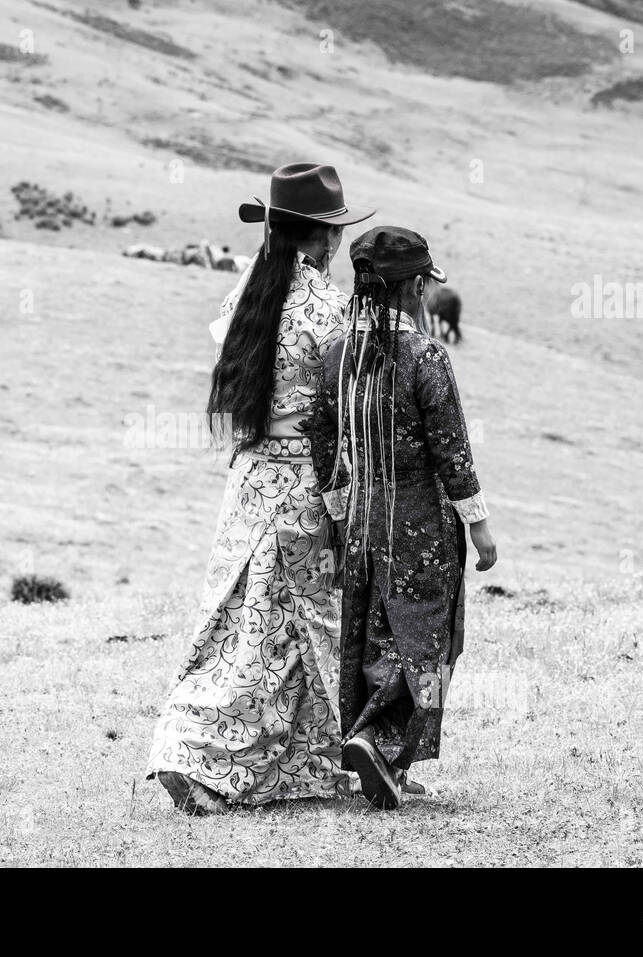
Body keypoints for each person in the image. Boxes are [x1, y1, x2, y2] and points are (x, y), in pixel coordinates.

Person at [147, 163, 375, 813]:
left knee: (239, 618)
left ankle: (258, 756)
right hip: (305, 484)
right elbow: (343, 412)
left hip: (249, 479)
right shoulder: (330, 309)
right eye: (332, 232)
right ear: (320, 238)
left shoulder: (245, 291)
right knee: (299, 628)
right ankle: (210, 756)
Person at [307, 226, 497, 808]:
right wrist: (480, 524)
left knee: (370, 636)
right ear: (415, 286)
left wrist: (340, 515)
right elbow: (451, 448)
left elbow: (322, 442)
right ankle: (382, 744)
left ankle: (375, 745)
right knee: (428, 641)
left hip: (363, 518)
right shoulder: (425, 356)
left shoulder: (337, 354)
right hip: (423, 522)